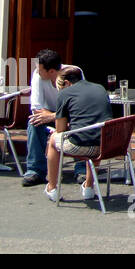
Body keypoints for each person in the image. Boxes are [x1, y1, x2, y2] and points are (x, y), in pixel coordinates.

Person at [44, 65, 112, 203]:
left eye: (60, 86)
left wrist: (67, 126)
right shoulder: (100, 88)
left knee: (53, 139)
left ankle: (52, 188)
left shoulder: (65, 93)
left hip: (81, 145)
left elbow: (60, 129)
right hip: (106, 144)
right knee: (95, 133)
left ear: (67, 83)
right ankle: (89, 186)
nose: (60, 90)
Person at [21, 49, 63, 186]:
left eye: (40, 70)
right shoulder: (37, 75)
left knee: (81, 122)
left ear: (51, 72)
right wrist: (52, 116)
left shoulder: (73, 73)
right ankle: (35, 170)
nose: (37, 72)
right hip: (49, 113)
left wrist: (54, 116)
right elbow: (36, 108)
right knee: (34, 122)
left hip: (68, 115)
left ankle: (81, 169)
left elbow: (79, 108)